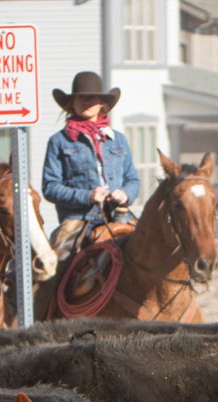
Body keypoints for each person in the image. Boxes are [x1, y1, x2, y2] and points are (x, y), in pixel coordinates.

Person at [41, 71, 140, 261]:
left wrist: (125, 194)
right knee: (54, 267)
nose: (86, 102)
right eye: (81, 98)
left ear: (102, 103)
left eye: (92, 98)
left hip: (118, 215)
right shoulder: (59, 141)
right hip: (78, 220)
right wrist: (87, 196)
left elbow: (132, 179)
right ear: (72, 103)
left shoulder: (118, 139)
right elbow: (50, 187)